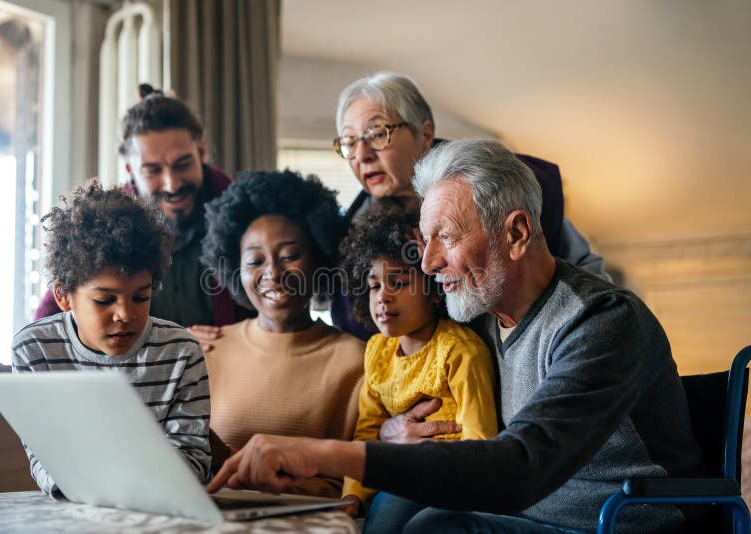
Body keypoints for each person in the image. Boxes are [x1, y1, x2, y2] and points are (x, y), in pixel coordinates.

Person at [207, 139, 702, 533]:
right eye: (426, 241)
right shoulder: (477, 314)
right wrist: (388, 434)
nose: (428, 263)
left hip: (614, 523)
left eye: (447, 236)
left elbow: (520, 467)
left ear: (516, 233)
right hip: (525, 517)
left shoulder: (601, 320)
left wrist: (317, 452)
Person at [330, 71, 607, 340]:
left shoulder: (494, 184)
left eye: (378, 134)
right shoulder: (353, 232)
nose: (362, 155)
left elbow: (589, 280)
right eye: (349, 142)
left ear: (425, 134)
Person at [12, 180, 211, 498]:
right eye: (105, 300)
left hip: (160, 507)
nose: (125, 315)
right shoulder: (36, 349)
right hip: (75, 507)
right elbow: (45, 458)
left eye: (141, 297)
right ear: (64, 296)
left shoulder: (180, 353)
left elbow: (194, 459)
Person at [34, 85, 248, 350]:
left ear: (201, 152)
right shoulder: (104, 228)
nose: (171, 184)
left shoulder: (245, 219)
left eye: (183, 164)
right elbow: (46, 325)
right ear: (129, 170)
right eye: (152, 171)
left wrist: (234, 338)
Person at [199, 170, 365, 497]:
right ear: (235, 270)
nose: (273, 273)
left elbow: (359, 480)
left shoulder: (355, 359)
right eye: (255, 261)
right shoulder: (208, 350)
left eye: (289, 256)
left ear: (319, 258)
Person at [339, 203, 498, 529]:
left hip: (450, 484)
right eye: (374, 285)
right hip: (398, 473)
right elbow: (368, 430)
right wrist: (352, 494)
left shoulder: (460, 351)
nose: (382, 297)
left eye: (398, 282)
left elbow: (482, 443)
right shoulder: (377, 351)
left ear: (435, 291)